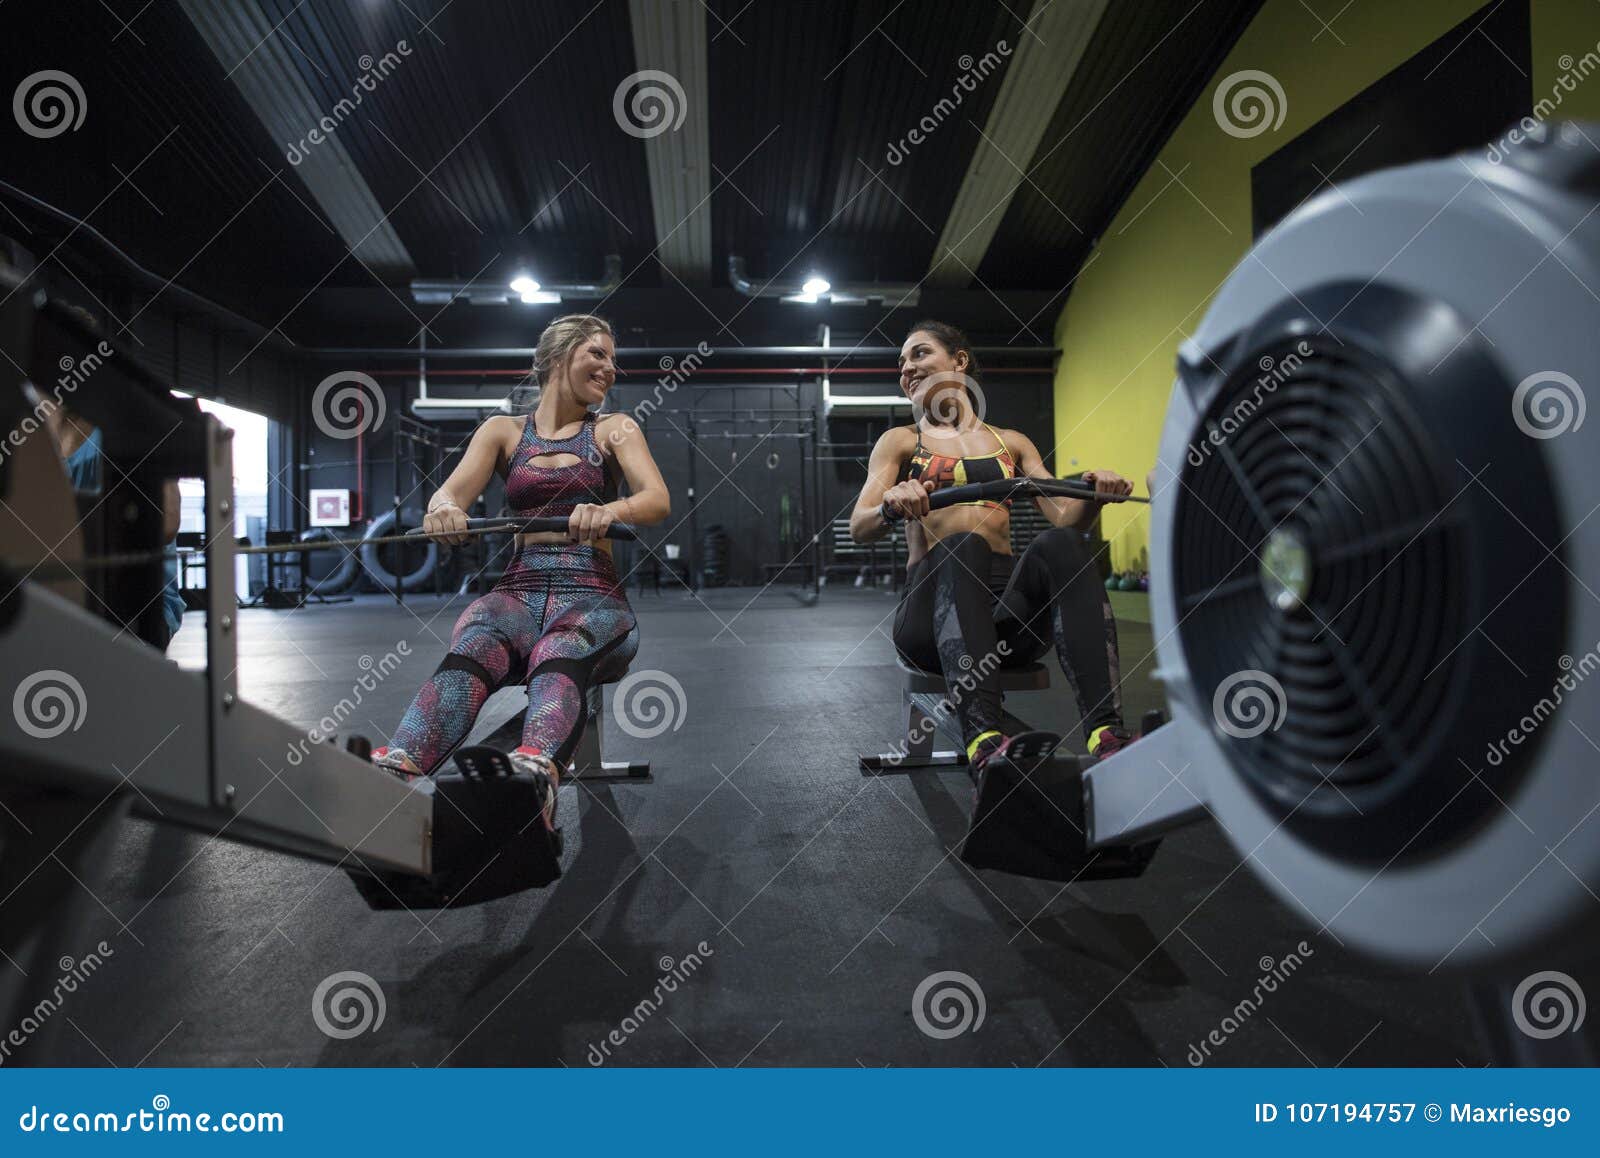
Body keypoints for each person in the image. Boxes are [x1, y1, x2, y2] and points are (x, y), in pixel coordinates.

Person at [372, 315, 670, 838]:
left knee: (560, 652)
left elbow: (655, 499)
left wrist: (610, 510)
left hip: (592, 593)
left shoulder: (614, 428)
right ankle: (393, 774)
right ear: (560, 353)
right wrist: (443, 509)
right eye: (598, 354)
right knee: (480, 639)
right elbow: (450, 493)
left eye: (613, 359)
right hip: (518, 588)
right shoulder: (502, 431)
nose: (610, 368)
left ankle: (532, 780)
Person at [850, 320, 1136, 779]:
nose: (907, 368)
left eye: (919, 354)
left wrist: (1094, 499)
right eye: (901, 363)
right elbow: (859, 526)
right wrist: (889, 504)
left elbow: (1065, 517)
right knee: (964, 544)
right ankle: (983, 741)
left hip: (1006, 624)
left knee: (1060, 543)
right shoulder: (901, 442)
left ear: (958, 361)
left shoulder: (1013, 443)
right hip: (929, 618)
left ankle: (1107, 734)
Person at [46, 396, 185, 652]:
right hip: (64, 598)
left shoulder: (124, 429)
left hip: (137, 607)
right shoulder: (32, 443)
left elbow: (168, 521)